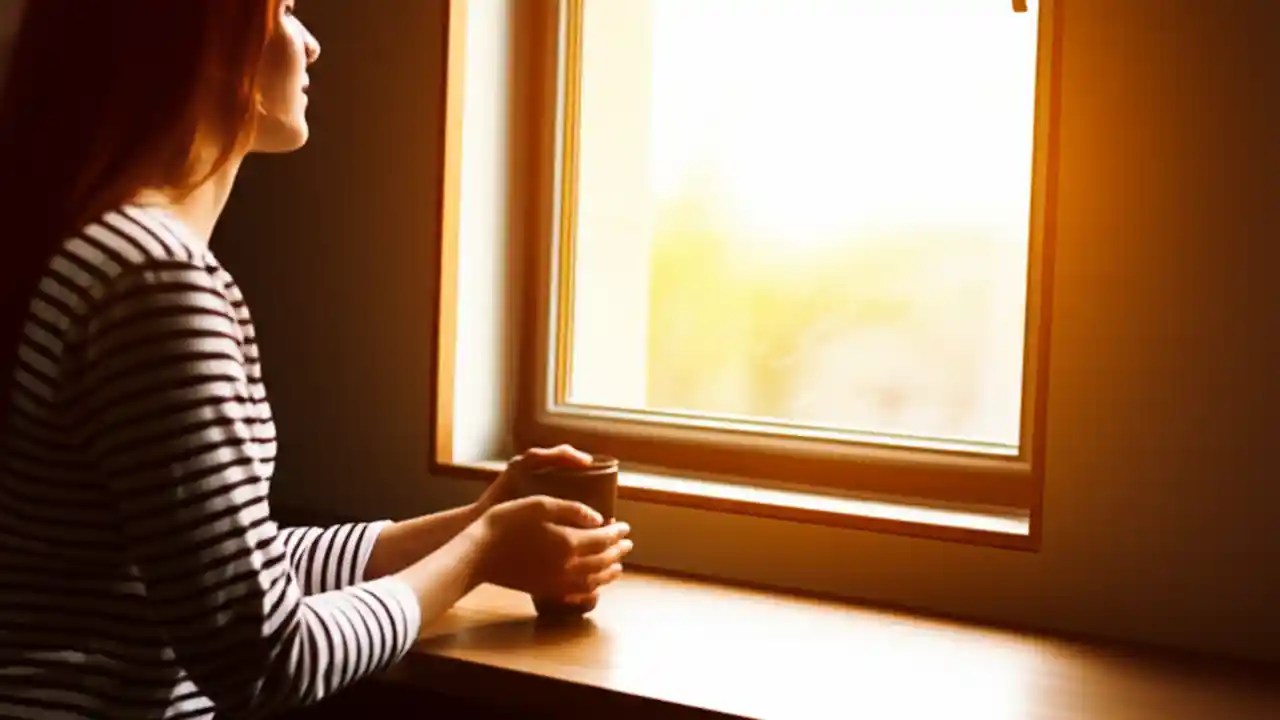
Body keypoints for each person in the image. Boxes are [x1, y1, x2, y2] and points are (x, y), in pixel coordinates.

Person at [0, 2, 634, 717]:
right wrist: (482, 554)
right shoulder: (154, 283)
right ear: (201, 39)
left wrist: (476, 520)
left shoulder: (86, 250)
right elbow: (269, 657)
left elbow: (235, 571)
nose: (312, 44)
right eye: (285, 11)